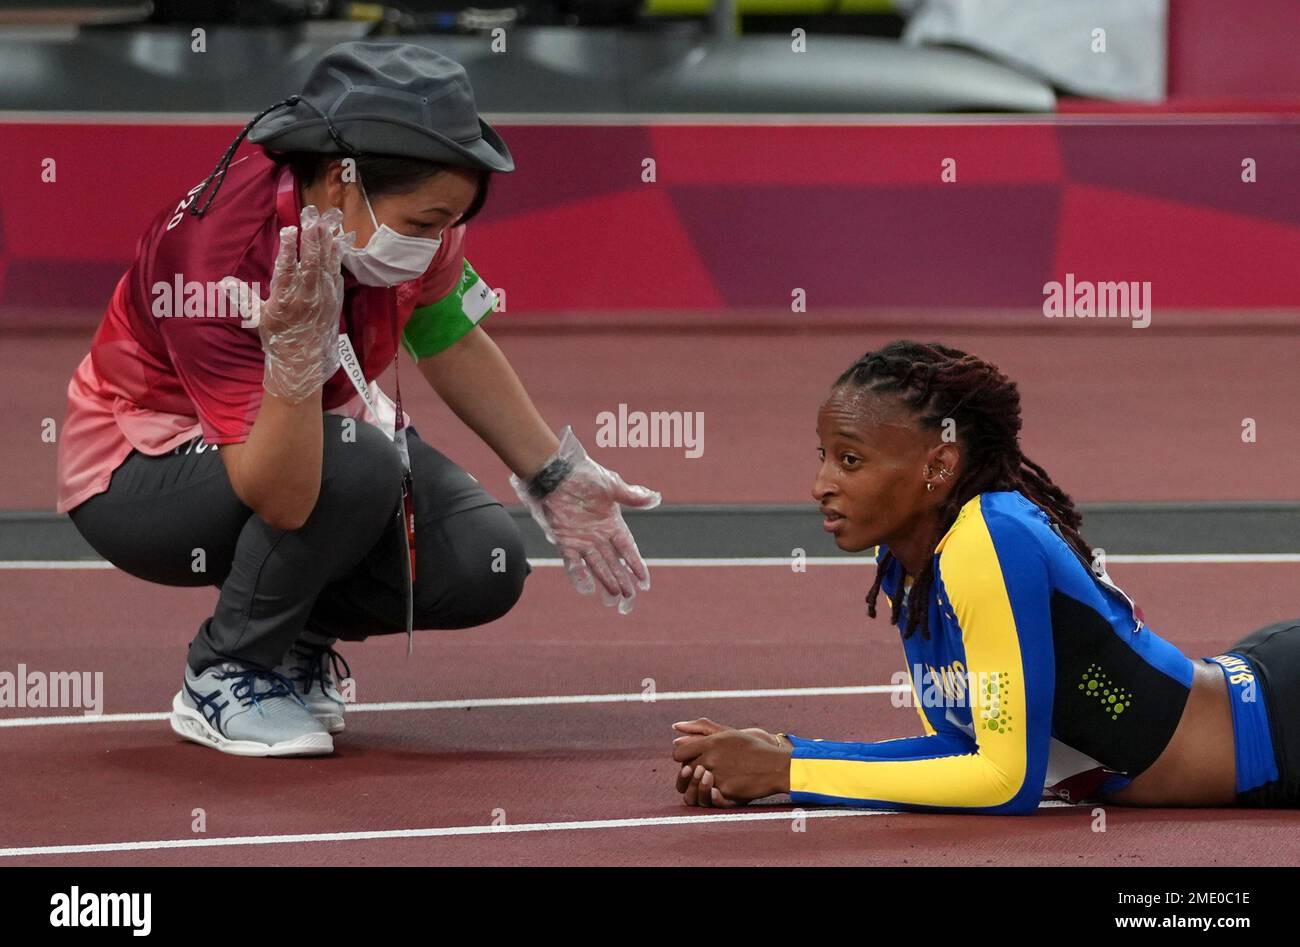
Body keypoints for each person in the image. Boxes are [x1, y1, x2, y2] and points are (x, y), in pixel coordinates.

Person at [56, 41, 660, 758]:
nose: (435, 241)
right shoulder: (216, 253)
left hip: (323, 434)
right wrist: (294, 359)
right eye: (424, 223)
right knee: (357, 464)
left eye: (447, 223)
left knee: (482, 560)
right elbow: (275, 494)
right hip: (141, 472)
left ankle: (293, 643)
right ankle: (225, 673)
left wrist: (554, 475)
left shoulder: (403, 216)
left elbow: (450, 337)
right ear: (343, 180)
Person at [671, 340, 1298, 811]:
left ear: (938, 466)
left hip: (1282, 727)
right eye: (824, 456)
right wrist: (784, 750)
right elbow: (964, 752)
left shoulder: (988, 540)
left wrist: (788, 773)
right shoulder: (906, 566)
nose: (820, 485)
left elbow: (1006, 783)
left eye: (851, 460)